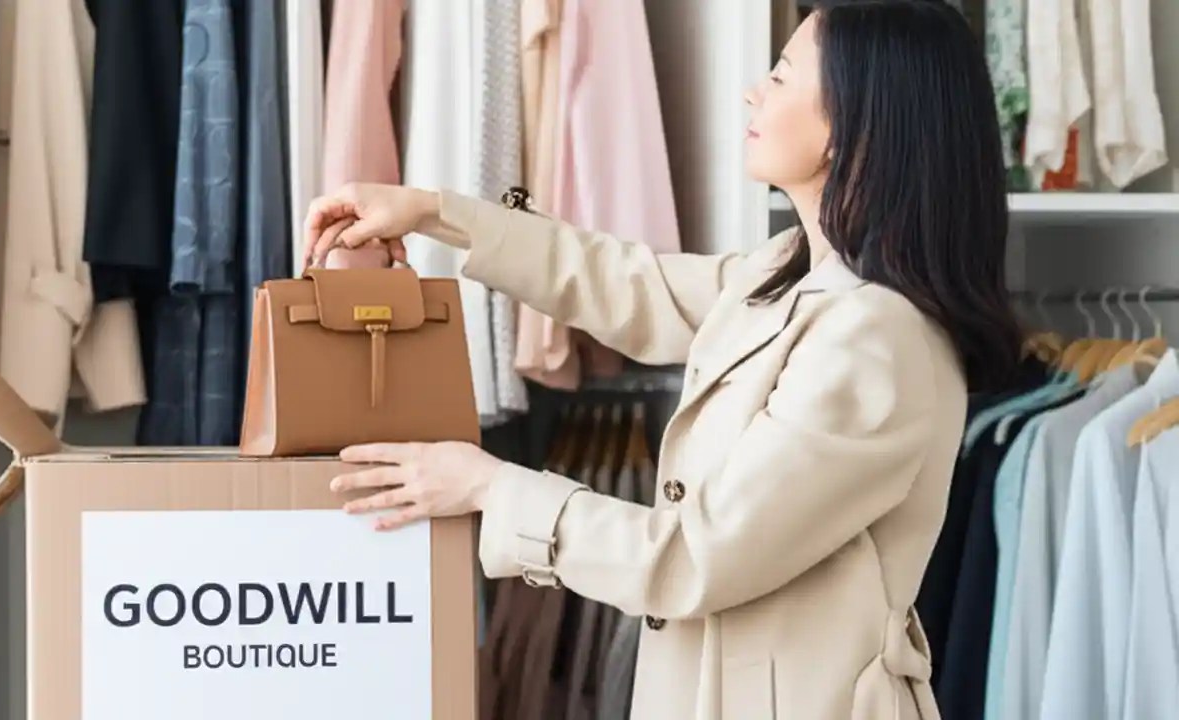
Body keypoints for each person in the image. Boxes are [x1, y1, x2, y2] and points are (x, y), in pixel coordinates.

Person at [305, 1, 1021, 717]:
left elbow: (695, 556)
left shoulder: (876, 341)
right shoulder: (789, 272)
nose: (754, 93)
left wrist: (489, 486)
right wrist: (434, 212)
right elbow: (633, 285)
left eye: (780, 76)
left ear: (852, 123)